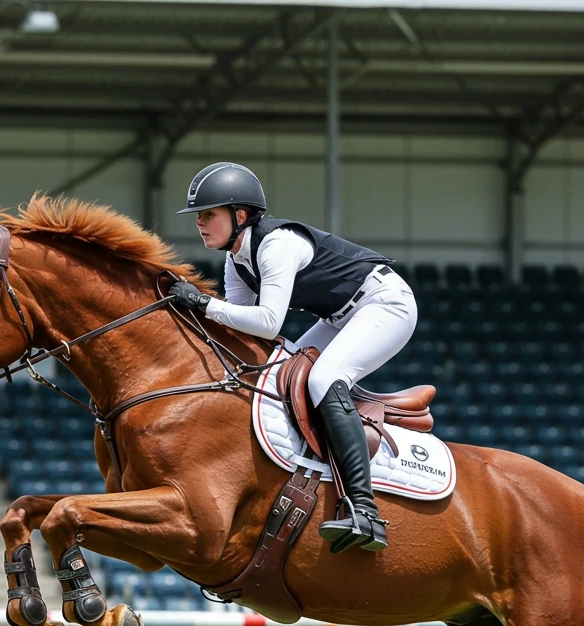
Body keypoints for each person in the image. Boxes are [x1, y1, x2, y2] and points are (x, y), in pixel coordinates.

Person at [170, 161, 417, 554]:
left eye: (208, 215)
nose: (200, 224)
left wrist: (203, 303)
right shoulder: (237, 262)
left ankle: (364, 510)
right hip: (340, 315)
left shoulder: (276, 245)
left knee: (322, 380)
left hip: (385, 303)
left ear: (240, 215)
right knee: (282, 371)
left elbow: (268, 323)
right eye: (198, 216)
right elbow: (244, 331)